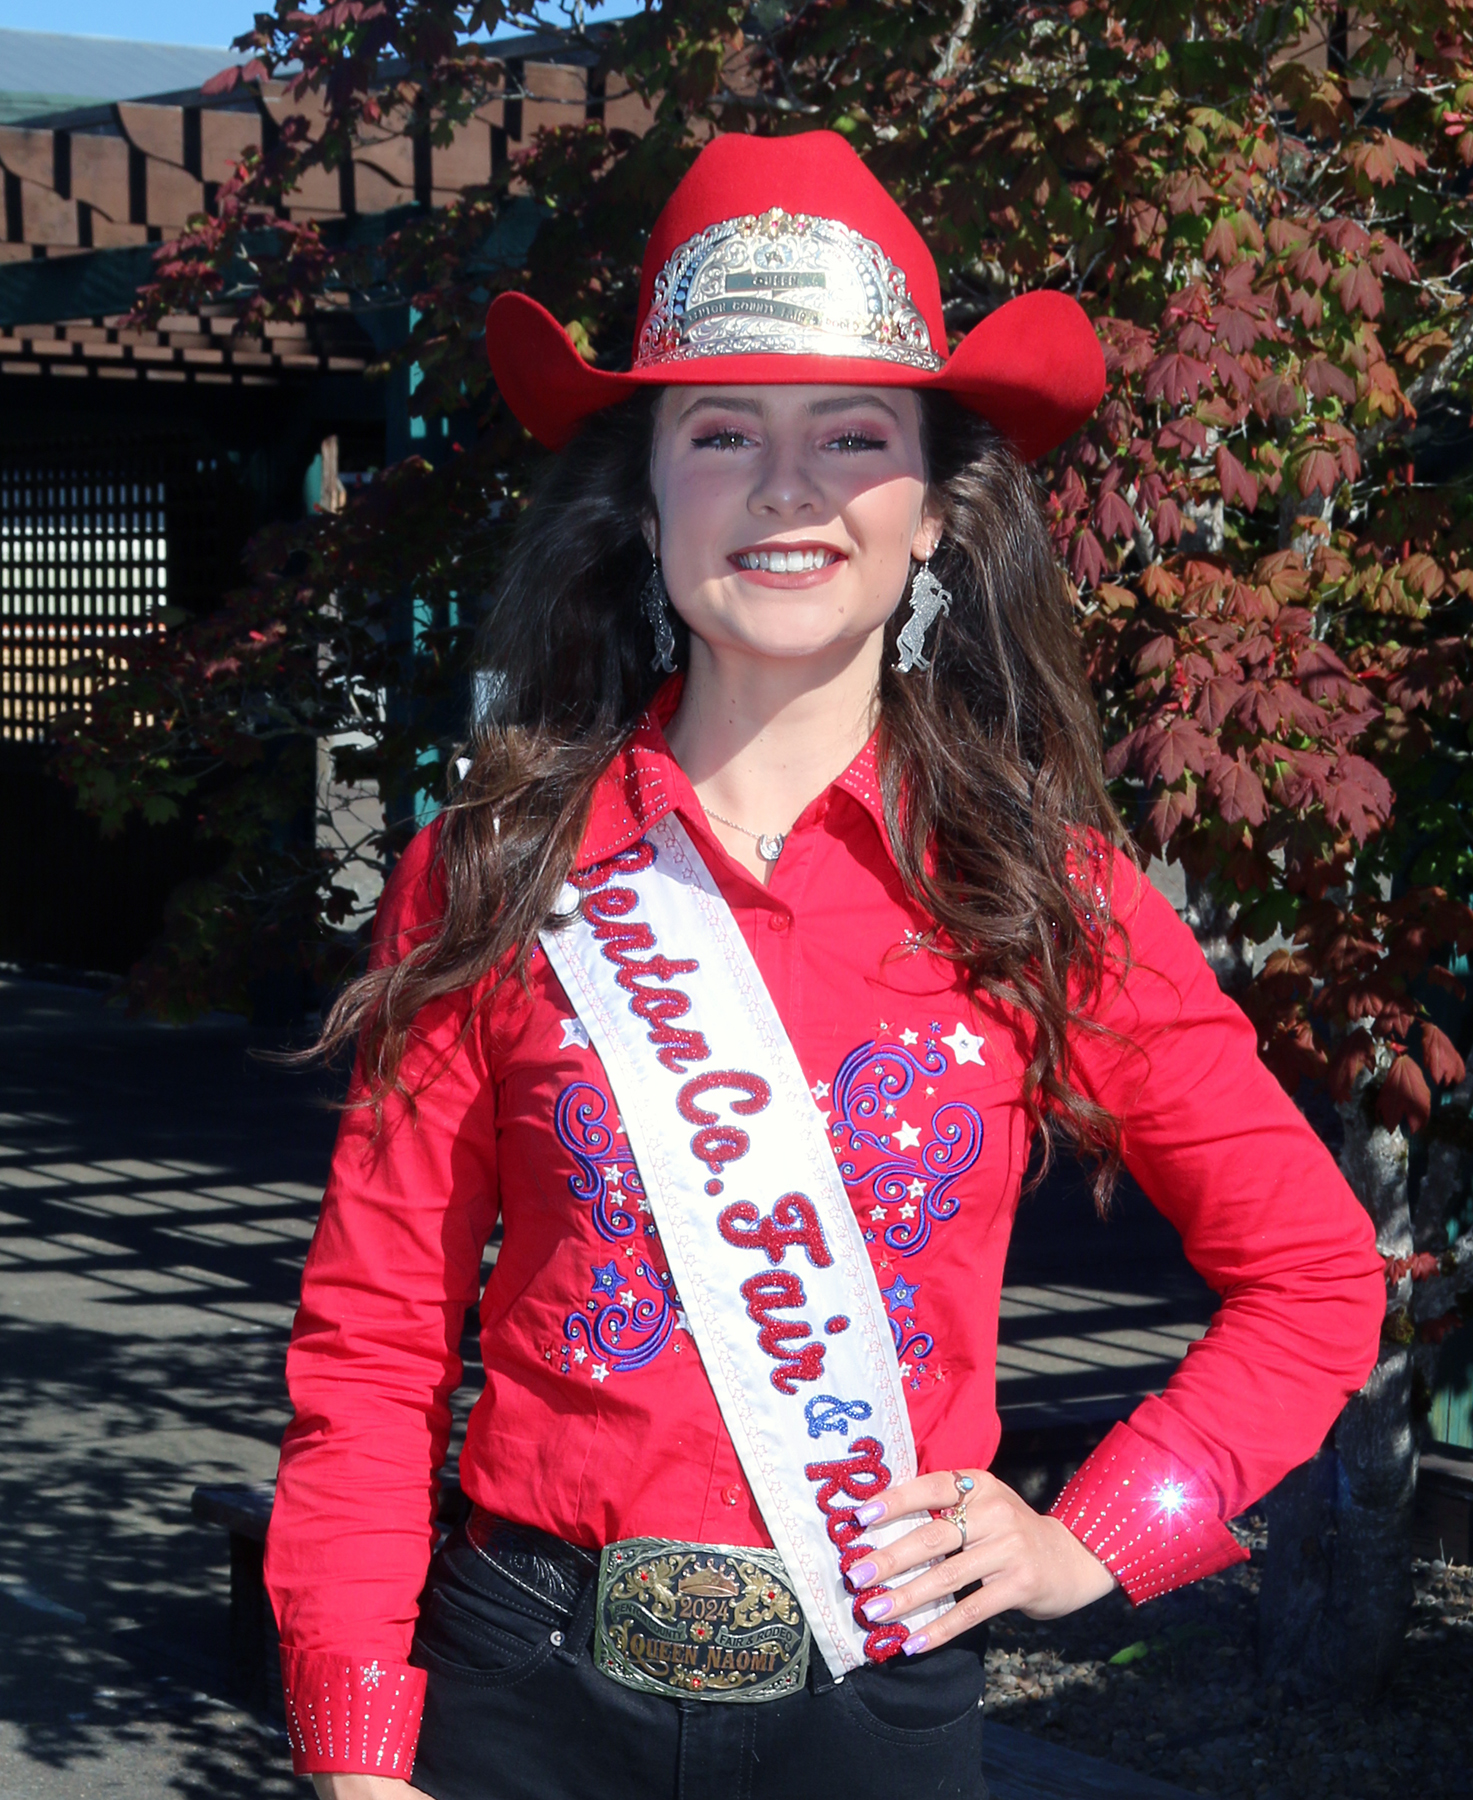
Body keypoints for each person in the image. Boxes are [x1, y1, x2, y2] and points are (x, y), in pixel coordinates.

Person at [266, 132, 1385, 1800]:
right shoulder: (491, 872)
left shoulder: (1046, 898)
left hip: (872, 1704)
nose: (786, 491)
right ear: (642, 497)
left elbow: (1315, 1280)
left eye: (850, 436)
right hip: (523, 1683)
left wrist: (1101, 1540)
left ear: (932, 511)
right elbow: (370, 1345)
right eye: (721, 433)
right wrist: (355, 1747)